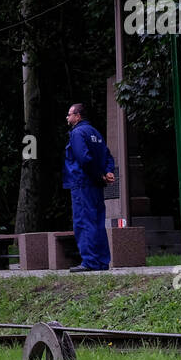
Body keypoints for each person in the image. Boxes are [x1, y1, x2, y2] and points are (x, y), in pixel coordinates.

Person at [63, 103, 117, 271]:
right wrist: (107, 172)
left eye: (69, 114)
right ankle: (102, 261)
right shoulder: (96, 133)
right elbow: (107, 155)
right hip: (96, 185)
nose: (67, 117)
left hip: (82, 183)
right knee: (98, 221)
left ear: (78, 116)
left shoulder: (77, 133)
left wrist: (98, 175)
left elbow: (83, 158)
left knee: (83, 222)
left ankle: (90, 262)